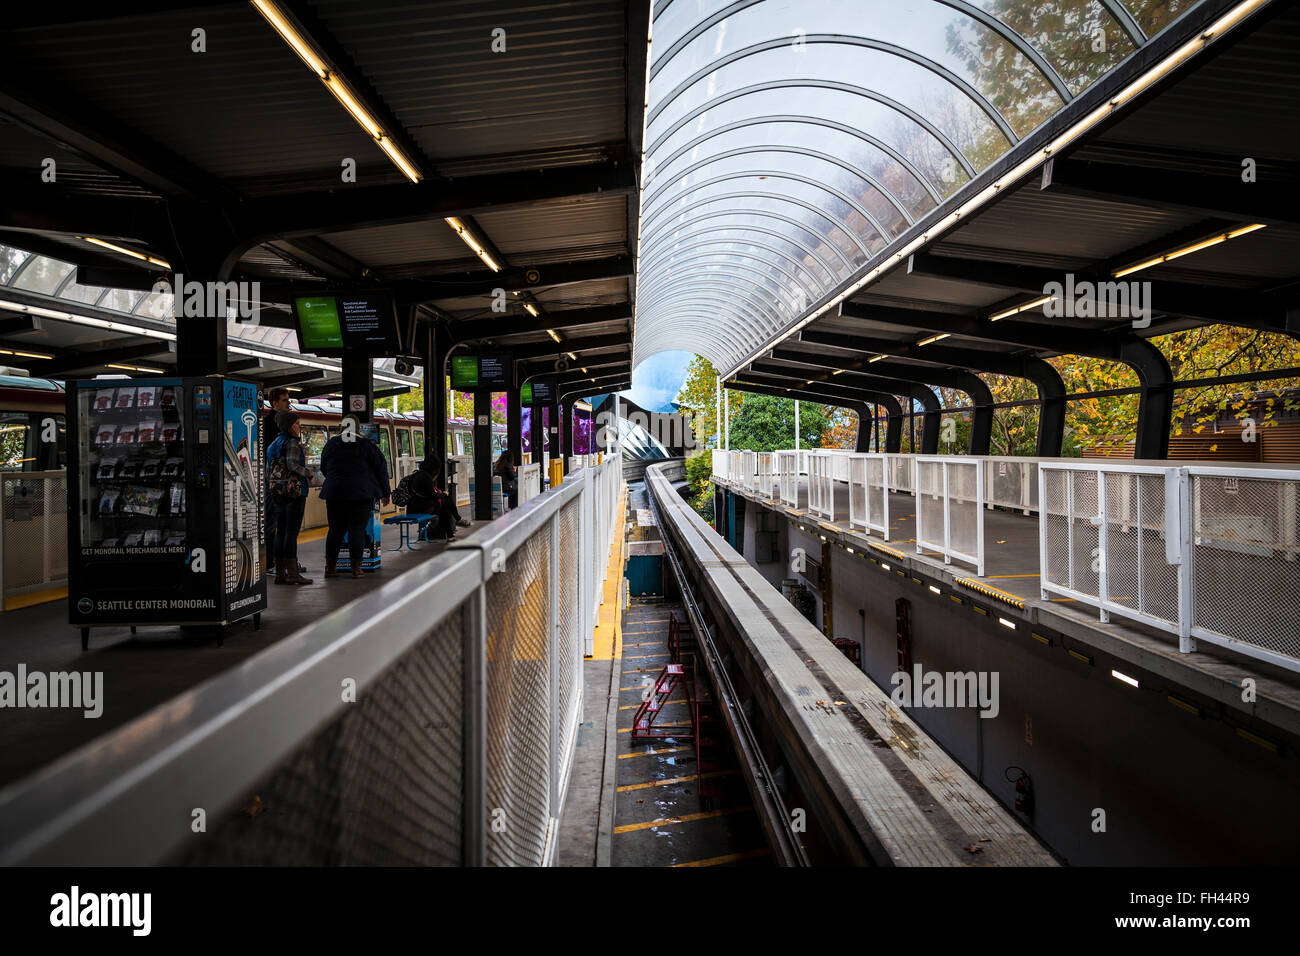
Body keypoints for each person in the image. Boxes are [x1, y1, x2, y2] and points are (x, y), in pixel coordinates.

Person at [320, 415, 391, 578]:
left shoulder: (331, 444)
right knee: (356, 529)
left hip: (335, 493)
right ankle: (356, 568)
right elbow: (381, 470)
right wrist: (385, 493)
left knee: (335, 530)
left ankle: (330, 568)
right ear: (358, 428)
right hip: (361, 494)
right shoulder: (367, 445)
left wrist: (336, 480)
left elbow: (324, 467)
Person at [262, 387, 308, 577]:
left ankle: (278, 568)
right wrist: (309, 474)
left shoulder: (273, 439)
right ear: (275, 403)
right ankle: (287, 568)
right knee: (288, 529)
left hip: (273, 486)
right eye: (285, 400)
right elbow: (291, 463)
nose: (288, 403)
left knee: (278, 528)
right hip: (290, 489)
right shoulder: (284, 435)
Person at [407, 457, 471, 541]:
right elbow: (432, 495)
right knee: (447, 499)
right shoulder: (426, 477)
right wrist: (443, 494)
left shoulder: (416, 474)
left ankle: (451, 535)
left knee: (444, 508)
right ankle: (458, 520)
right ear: (434, 468)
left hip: (413, 507)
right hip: (421, 508)